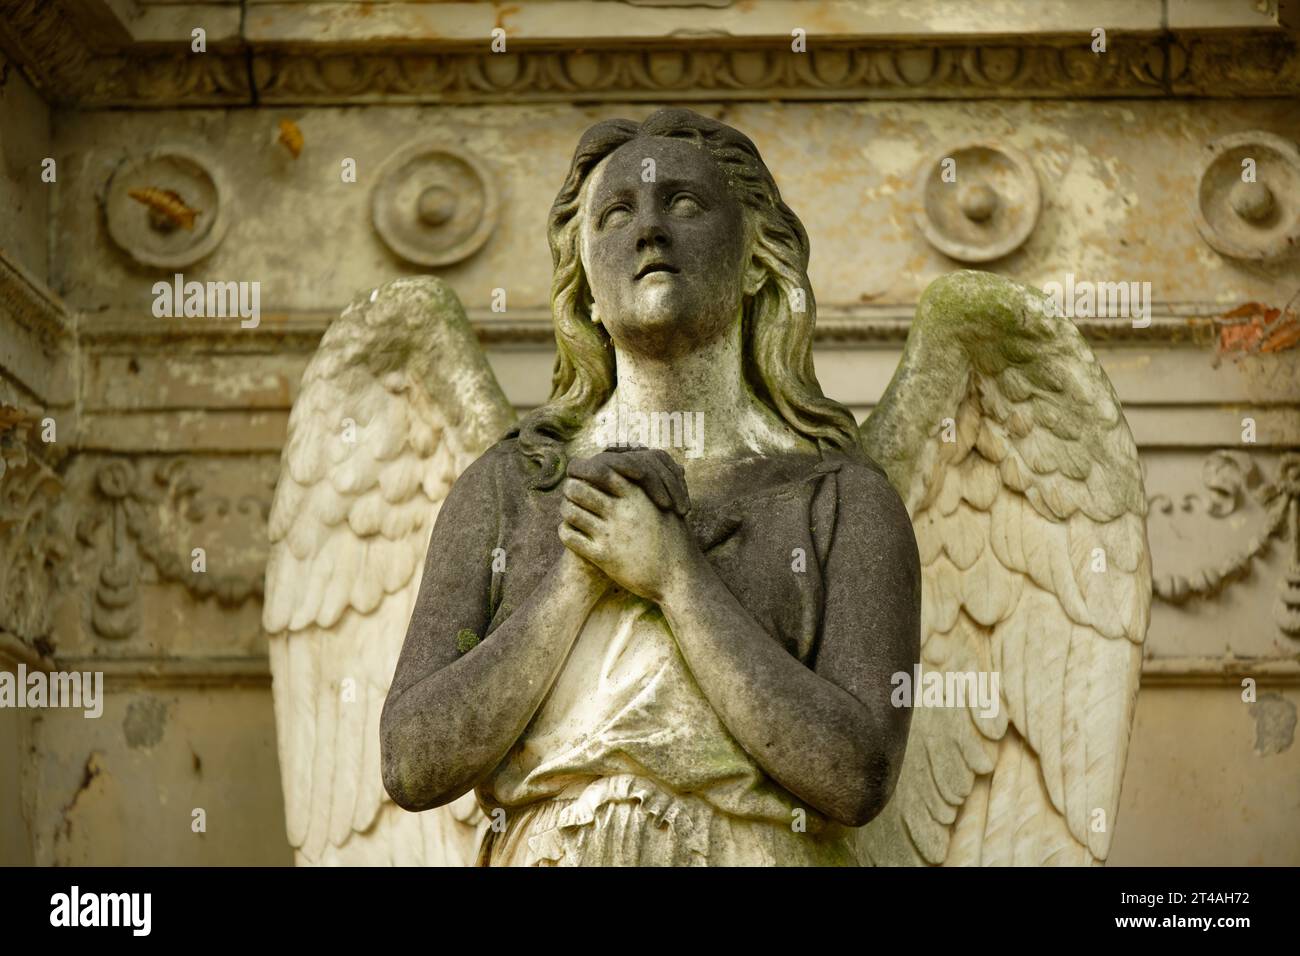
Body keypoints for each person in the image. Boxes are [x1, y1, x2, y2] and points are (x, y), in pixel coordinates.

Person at [381, 108, 921, 866]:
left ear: (757, 257)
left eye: (687, 204)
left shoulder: (839, 498)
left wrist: (675, 577)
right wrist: (578, 578)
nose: (649, 232)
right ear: (586, 288)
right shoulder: (509, 488)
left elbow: (855, 774)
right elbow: (411, 761)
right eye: (616, 215)